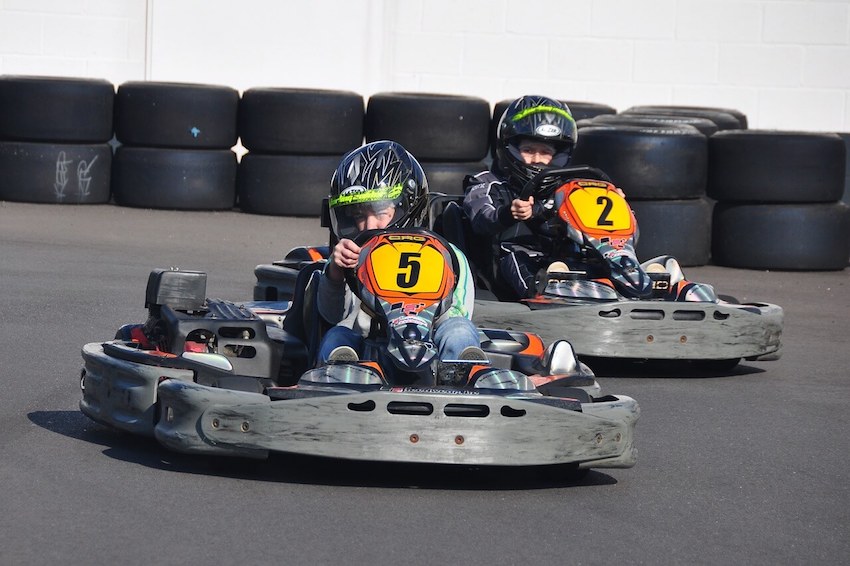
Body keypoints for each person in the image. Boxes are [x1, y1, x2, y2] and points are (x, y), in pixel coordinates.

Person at [317, 140, 485, 364]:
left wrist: (412, 317)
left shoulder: (447, 255)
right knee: (338, 336)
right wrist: (336, 273)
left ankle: (464, 372)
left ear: (407, 204)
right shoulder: (349, 256)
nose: (369, 225)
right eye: (359, 216)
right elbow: (332, 316)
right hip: (369, 345)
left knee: (459, 330)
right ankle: (340, 372)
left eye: (380, 212)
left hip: (430, 347)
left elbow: (458, 314)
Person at [463, 95, 579, 299]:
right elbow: (482, 217)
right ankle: (547, 293)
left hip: (560, 258)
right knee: (516, 257)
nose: (536, 160)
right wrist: (508, 213)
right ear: (511, 149)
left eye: (545, 152)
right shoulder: (486, 182)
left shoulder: (567, 187)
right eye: (528, 150)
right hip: (505, 264)